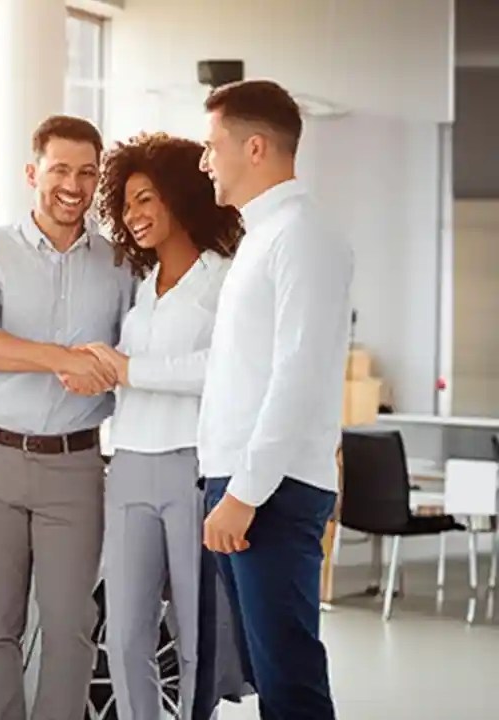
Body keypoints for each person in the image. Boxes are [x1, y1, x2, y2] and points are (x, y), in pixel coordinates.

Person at [0, 114, 134, 720]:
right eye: (60, 169)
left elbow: (134, 357)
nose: (73, 185)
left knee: (70, 627)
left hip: (75, 465)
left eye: (87, 172)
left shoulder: (119, 264)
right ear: (33, 173)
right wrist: (62, 360)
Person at [196, 79, 353, 719]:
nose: (206, 161)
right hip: (246, 484)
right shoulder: (261, 237)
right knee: (269, 671)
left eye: (213, 146)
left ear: (254, 147)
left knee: (289, 680)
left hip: (269, 493)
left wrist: (243, 495)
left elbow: (299, 377)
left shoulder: (302, 237)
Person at [79, 132, 242, 720]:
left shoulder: (226, 279)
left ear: (180, 196)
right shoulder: (143, 289)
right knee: (124, 633)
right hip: (128, 468)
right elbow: (132, 374)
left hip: (190, 469)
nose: (134, 215)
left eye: (146, 199)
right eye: (126, 205)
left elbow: (224, 370)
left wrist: (131, 369)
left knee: (196, 631)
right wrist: (100, 373)